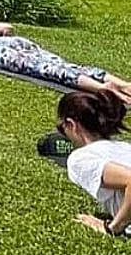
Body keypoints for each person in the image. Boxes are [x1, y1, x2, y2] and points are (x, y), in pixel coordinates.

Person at [0, 16, 131, 103]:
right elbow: (6, 27)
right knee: (64, 64)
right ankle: (122, 84)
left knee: (49, 70)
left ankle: (107, 90)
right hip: (15, 42)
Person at [55, 90, 131, 238]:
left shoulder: (81, 158)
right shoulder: (124, 147)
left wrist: (113, 227)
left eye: (61, 127)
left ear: (71, 124)